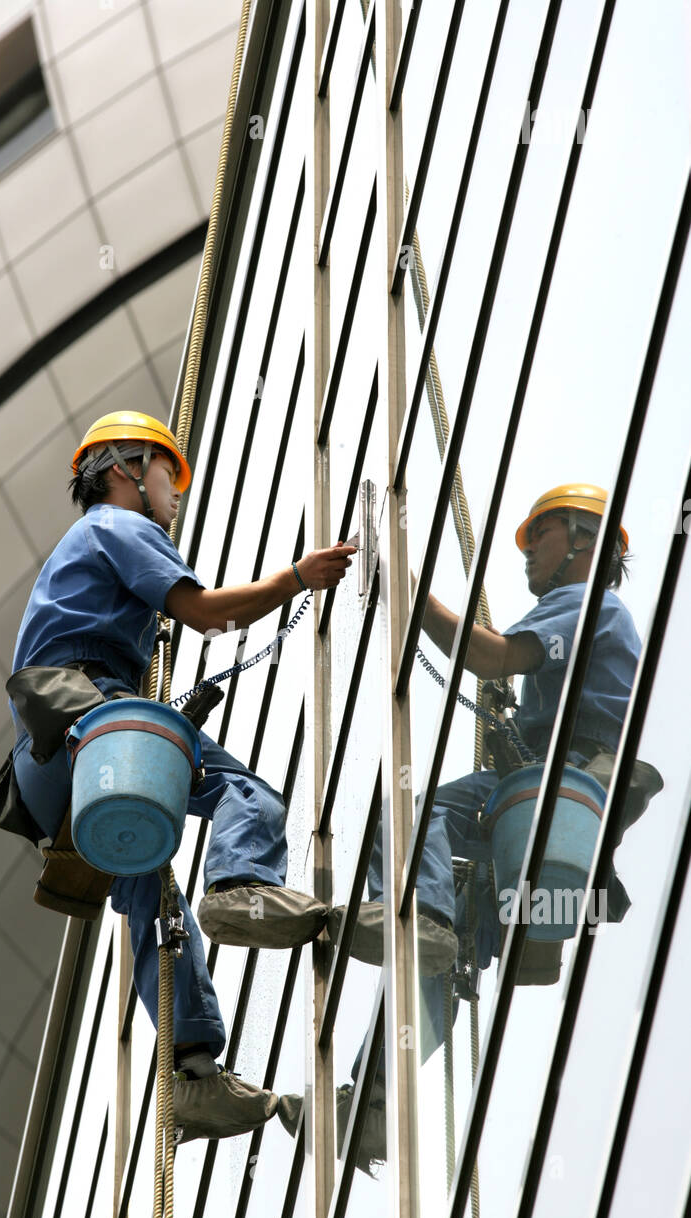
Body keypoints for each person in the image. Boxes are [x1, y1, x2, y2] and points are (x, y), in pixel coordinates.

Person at [280, 484, 663, 1167]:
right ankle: (372, 1105)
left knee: (406, 822)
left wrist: (409, 593)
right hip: (542, 798)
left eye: (539, 537)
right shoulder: (582, 614)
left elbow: (492, 656)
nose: (527, 557)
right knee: (449, 949)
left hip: (555, 787)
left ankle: (423, 921)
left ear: (582, 538)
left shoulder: (590, 604)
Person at [6, 410, 358, 1143]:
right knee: (247, 791)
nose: (175, 494)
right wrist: (299, 577)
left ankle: (192, 1075)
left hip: (47, 766)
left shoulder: (85, 547)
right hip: (90, 718)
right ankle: (238, 890)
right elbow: (202, 614)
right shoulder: (117, 526)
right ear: (124, 469)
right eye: (167, 474)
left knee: (148, 888)